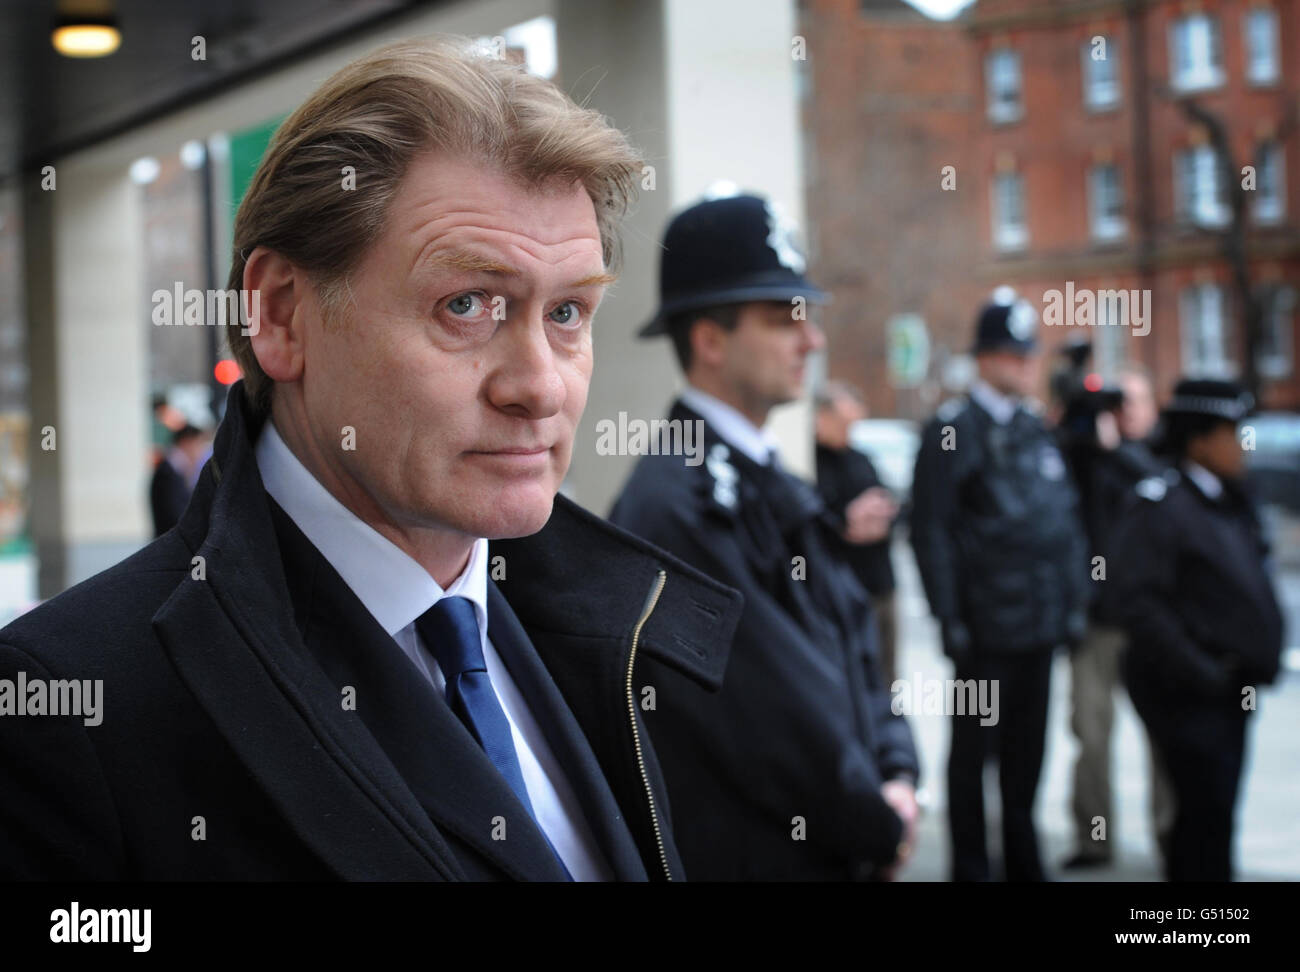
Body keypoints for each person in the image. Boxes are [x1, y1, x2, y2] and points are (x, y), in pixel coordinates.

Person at [0, 37, 744, 882]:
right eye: (467, 305)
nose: (540, 386)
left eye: (568, 312)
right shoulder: (72, 709)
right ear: (280, 314)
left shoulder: (607, 635)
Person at [608, 190, 920, 880]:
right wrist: (879, 820)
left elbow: (854, 644)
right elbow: (776, 714)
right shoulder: (677, 507)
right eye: (785, 320)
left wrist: (898, 767)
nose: (812, 340)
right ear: (710, 340)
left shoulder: (767, 478)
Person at [910, 288, 1089, 882]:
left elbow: (1062, 524)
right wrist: (949, 618)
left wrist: (1072, 606)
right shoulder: (952, 430)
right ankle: (970, 868)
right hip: (985, 632)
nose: (1025, 365)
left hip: (1037, 628)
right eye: (1013, 355)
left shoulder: (1037, 428)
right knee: (971, 763)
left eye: (1028, 355)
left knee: (1026, 761)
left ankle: (1023, 863)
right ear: (985, 358)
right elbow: (931, 530)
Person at [1113, 379, 1284, 882]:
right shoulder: (1162, 504)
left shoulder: (1231, 501)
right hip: (1190, 694)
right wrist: (1204, 672)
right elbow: (1138, 604)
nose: (1243, 446)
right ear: (1200, 440)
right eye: (1233, 433)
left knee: (1219, 817)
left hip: (1233, 691)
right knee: (1198, 822)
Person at [1058, 364, 1171, 869]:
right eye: (1115, 404)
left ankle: (1174, 840)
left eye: (1132, 402)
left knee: (1166, 739)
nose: (1123, 413)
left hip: (1153, 625)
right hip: (1097, 622)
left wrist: (1116, 448)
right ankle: (1093, 839)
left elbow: (1159, 490)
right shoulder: (1082, 457)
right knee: (1091, 733)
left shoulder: (1157, 455)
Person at [815, 381, 901, 684]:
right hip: (840, 588)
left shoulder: (860, 459)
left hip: (879, 585)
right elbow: (817, 522)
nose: (849, 428)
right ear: (822, 417)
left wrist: (882, 519)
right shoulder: (812, 463)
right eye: (843, 421)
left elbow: (894, 506)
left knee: (884, 675)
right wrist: (845, 523)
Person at [149, 424, 210, 537]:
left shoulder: (174, 469)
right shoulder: (168, 473)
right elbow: (177, 516)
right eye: (199, 444)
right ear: (187, 442)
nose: (201, 451)